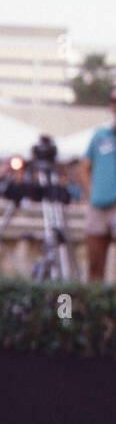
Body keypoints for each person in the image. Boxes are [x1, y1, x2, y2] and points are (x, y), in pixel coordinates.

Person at [80, 86, 116, 283]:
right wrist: (91, 192)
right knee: (95, 263)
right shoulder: (100, 135)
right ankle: (95, 310)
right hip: (99, 206)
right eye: (113, 101)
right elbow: (84, 167)